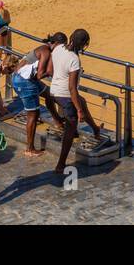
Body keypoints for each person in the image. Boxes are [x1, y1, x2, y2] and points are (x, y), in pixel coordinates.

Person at [48, 29, 106, 177]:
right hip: (65, 95)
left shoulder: (59, 48)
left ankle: (95, 129)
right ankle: (60, 165)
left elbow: (52, 67)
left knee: (82, 101)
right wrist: (79, 110)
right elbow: (72, 88)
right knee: (70, 129)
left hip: (53, 91)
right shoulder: (74, 59)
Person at [12, 33, 65, 157]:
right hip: (24, 82)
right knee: (33, 115)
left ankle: (57, 121)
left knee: (49, 95)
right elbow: (41, 74)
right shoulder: (46, 52)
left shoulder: (45, 49)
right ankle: (29, 148)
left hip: (26, 78)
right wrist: (55, 72)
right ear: (56, 44)